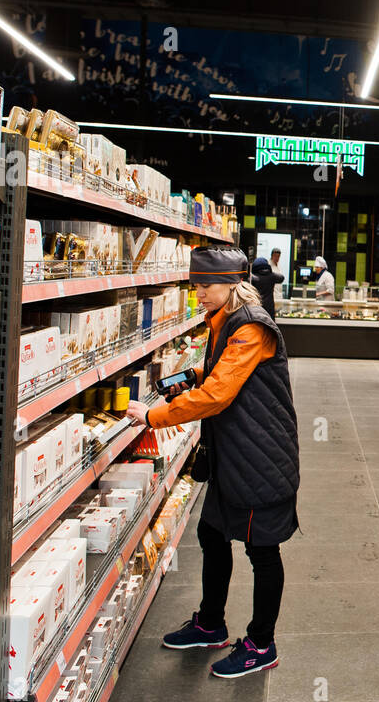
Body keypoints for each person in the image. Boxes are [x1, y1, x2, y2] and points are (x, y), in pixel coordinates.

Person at [126, 246, 299, 678]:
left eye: (205, 285)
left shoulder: (251, 327)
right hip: (233, 453)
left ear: (231, 283)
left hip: (260, 456)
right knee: (212, 532)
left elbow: (220, 394)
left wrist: (153, 417)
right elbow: (223, 376)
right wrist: (191, 377)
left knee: (263, 550)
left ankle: (261, 644)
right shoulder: (224, 321)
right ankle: (211, 622)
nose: (198, 293)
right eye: (195, 284)